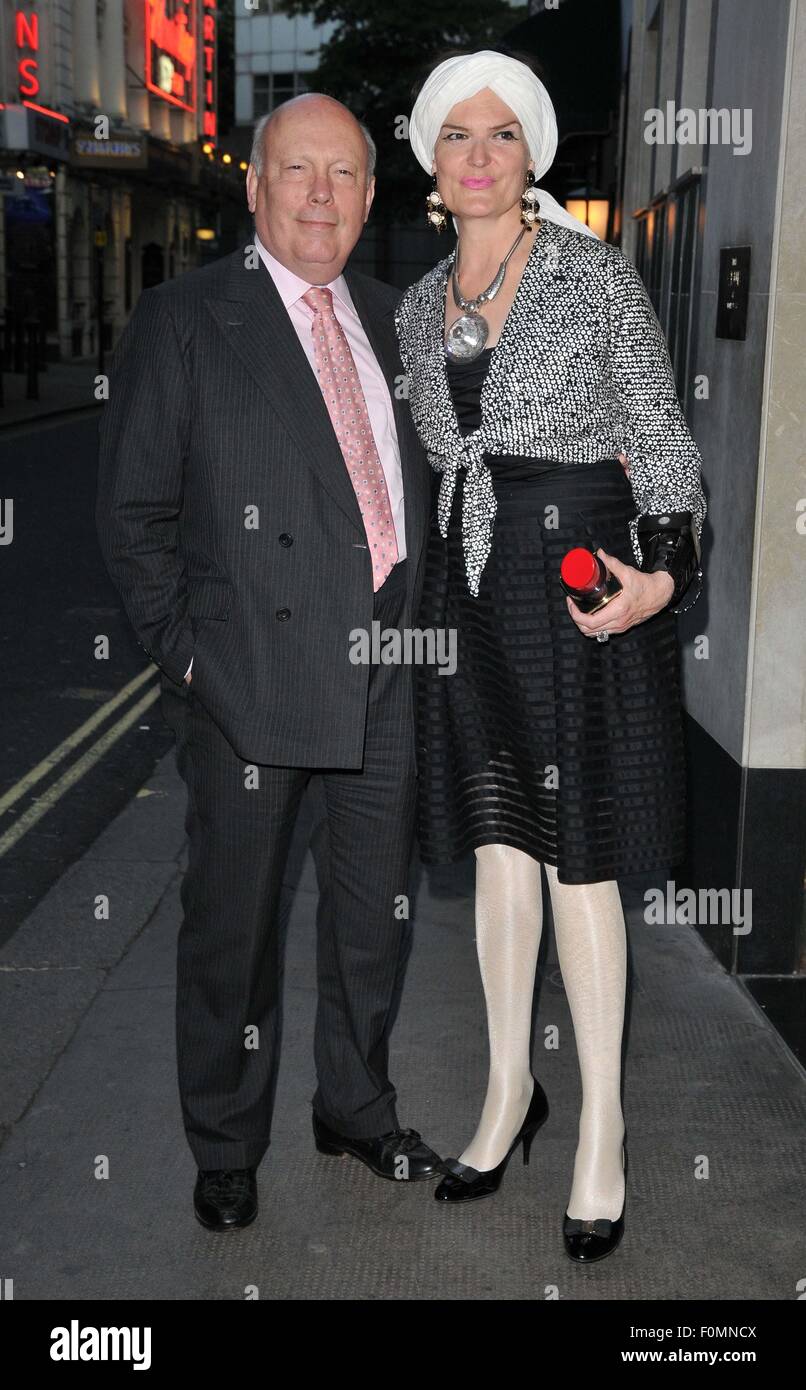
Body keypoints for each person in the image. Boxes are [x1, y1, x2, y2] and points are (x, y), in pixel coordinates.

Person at [96, 93, 441, 1232]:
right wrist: (194, 668)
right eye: (297, 171)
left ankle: (352, 1103)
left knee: (369, 918)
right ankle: (226, 1138)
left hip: (387, 669)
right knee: (232, 929)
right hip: (248, 687)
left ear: (370, 196)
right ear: (254, 187)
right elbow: (135, 517)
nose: (320, 196)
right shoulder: (187, 318)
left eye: (342, 175)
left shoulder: (402, 321)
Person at [395, 50, 706, 1262]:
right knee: (494, 848)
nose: (478, 156)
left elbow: (659, 441)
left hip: (575, 582)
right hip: (468, 592)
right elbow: (428, 454)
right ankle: (503, 1096)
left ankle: (602, 1132)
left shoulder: (591, 275)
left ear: (531, 155)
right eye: (456, 137)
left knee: (575, 861)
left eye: (501, 136)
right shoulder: (420, 303)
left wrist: (661, 578)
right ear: (432, 160)